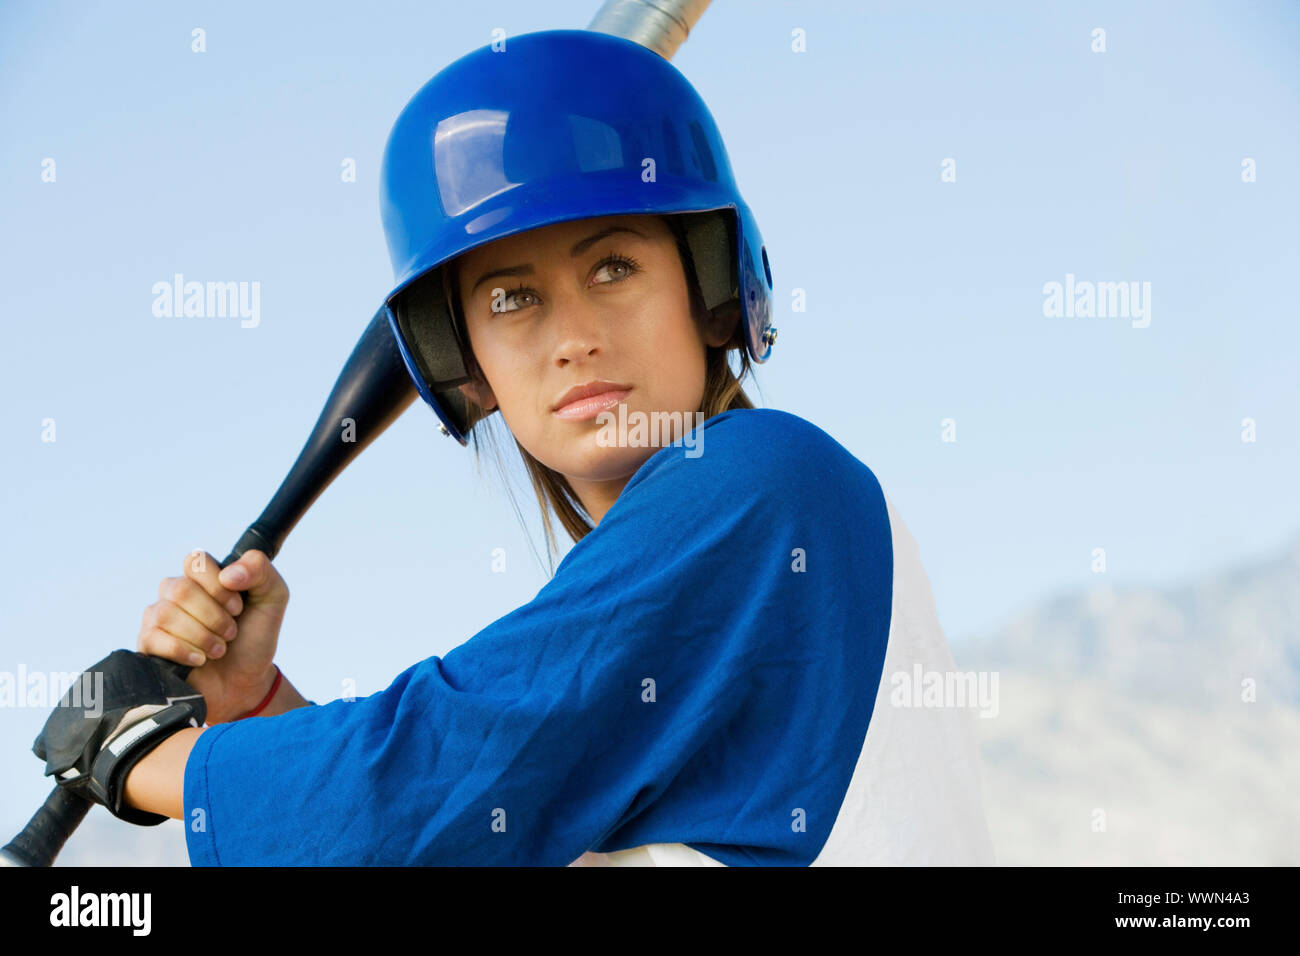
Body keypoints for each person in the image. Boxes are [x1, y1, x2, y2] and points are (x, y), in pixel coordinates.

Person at [36, 29, 996, 866]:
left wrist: (143, 755)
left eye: (613, 266)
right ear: (468, 367)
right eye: (510, 298)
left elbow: (439, 773)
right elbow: (469, 832)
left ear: (713, 291)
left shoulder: (762, 485)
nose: (569, 336)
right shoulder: (694, 594)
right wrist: (256, 710)